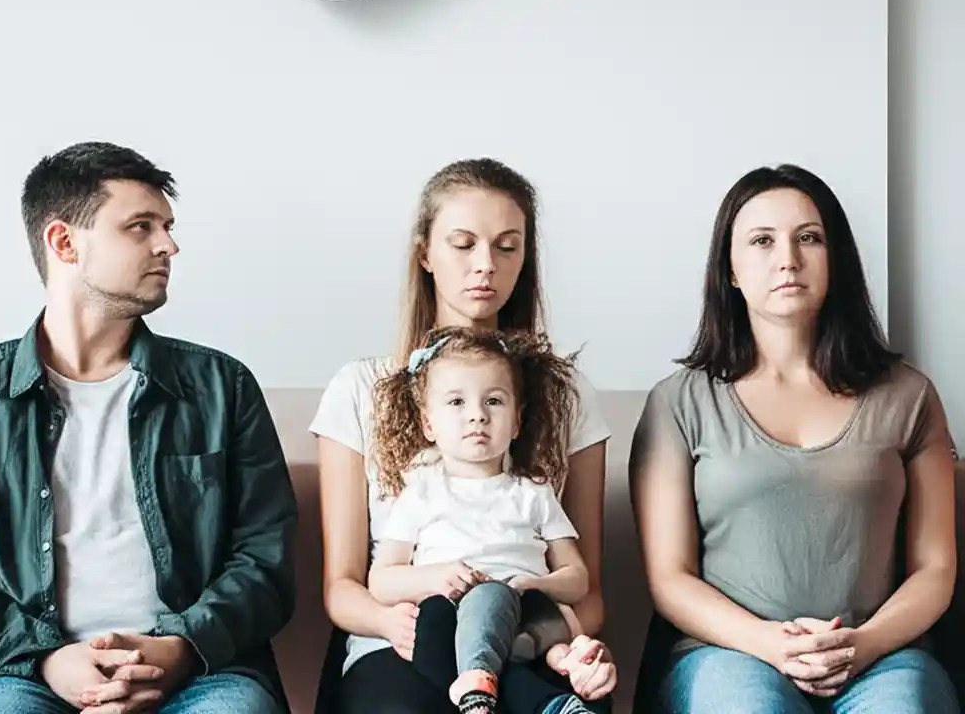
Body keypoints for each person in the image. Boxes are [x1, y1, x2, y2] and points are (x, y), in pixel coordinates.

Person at [0, 141, 297, 714]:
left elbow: (266, 560)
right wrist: (49, 659)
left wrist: (178, 648)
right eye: (140, 226)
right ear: (64, 242)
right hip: (23, 671)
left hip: (201, 670)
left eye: (168, 226)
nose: (169, 244)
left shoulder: (222, 387)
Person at [630, 164, 959, 713]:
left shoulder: (910, 396)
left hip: (884, 657)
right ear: (730, 269)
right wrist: (772, 646)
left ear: (837, 260)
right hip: (729, 655)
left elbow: (937, 568)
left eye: (810, 238)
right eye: (762, 241)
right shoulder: (677, 402)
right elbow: (670, 578)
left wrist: (863, 643)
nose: (789, 258)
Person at [311, 158, 617, 714]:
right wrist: (389, 621)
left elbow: (587, 592)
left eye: (507, 246)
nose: (486, 265)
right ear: (425, 253)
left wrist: (545, 630)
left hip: (532, 638)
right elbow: (343, 587)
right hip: (402, 640)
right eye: (462, 243)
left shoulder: (568, 395)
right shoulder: (358, 389)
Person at [367, 326, 608, 714]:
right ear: (429, 424)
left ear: (516, 422)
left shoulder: (532, 492)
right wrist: (435, 576)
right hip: (450, 618)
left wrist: (536, 584)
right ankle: (537, 698)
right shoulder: (421, 491)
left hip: (526, 613)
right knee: (432, 623)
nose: (477, 415)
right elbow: (381, 580)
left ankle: (503, 681)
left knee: (511, 609)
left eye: (493, 401)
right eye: (457, 402)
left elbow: (577, 577)